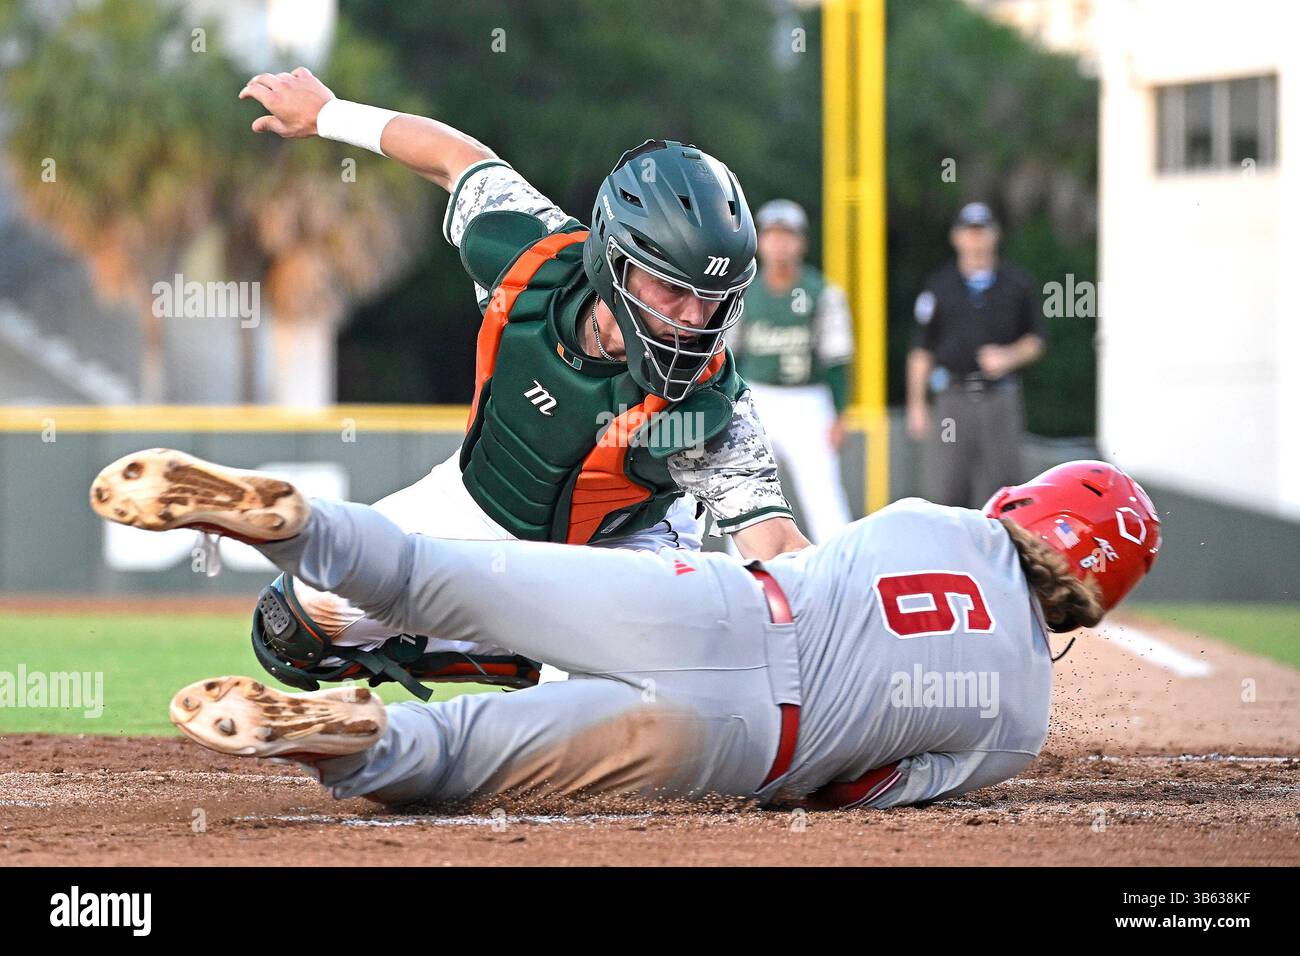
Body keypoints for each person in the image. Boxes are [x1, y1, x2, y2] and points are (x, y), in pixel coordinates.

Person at [90, 448, 1160, 809]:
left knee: (435, 572)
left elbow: (805, 559)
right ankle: (348, 737)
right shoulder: (1017, 722)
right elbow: (857, 791)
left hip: (714, 601)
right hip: (746, 737)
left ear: (1030, 506)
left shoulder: (936, 520)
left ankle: (296, 526)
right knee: (463, 759)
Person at [234, 67, 812, 699]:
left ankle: (571, 665)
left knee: (599, 715)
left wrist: (851, 626)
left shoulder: (711, 405)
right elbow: (458, 161)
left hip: (619, 552)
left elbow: (776, 542)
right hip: (476, 501)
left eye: (714, 298)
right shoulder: (532, 261)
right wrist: (328, 114)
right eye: (674, 289)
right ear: (614, 261)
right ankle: (510, 648)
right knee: (292, 627)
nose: (695, 319)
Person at [906, 202, 1045, 508]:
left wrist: (1008, 356)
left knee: (1006, 490)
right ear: (957, 238)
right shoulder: (940, 286)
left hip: (1000, 397)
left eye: (982, 232)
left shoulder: (1017, 284)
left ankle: (1002, 555)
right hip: (953, 397)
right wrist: (917, 404)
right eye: (969, 232)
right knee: (949, 489)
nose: (976, 240)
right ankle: (953, 557)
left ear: (994, 236)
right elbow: (922, 349)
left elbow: (1036, 340)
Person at [733, 199, 854, 543]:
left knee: (823, 495)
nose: (780, 243)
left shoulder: (823, 292)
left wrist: (839, 412)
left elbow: (837, 359)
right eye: (772, 235)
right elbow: (728, 355)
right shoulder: (743, 290)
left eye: (787, 235)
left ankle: (839, 568)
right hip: (756, 396)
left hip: (808, 399)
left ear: (802, 242)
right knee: (745, 492)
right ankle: (746, 572)